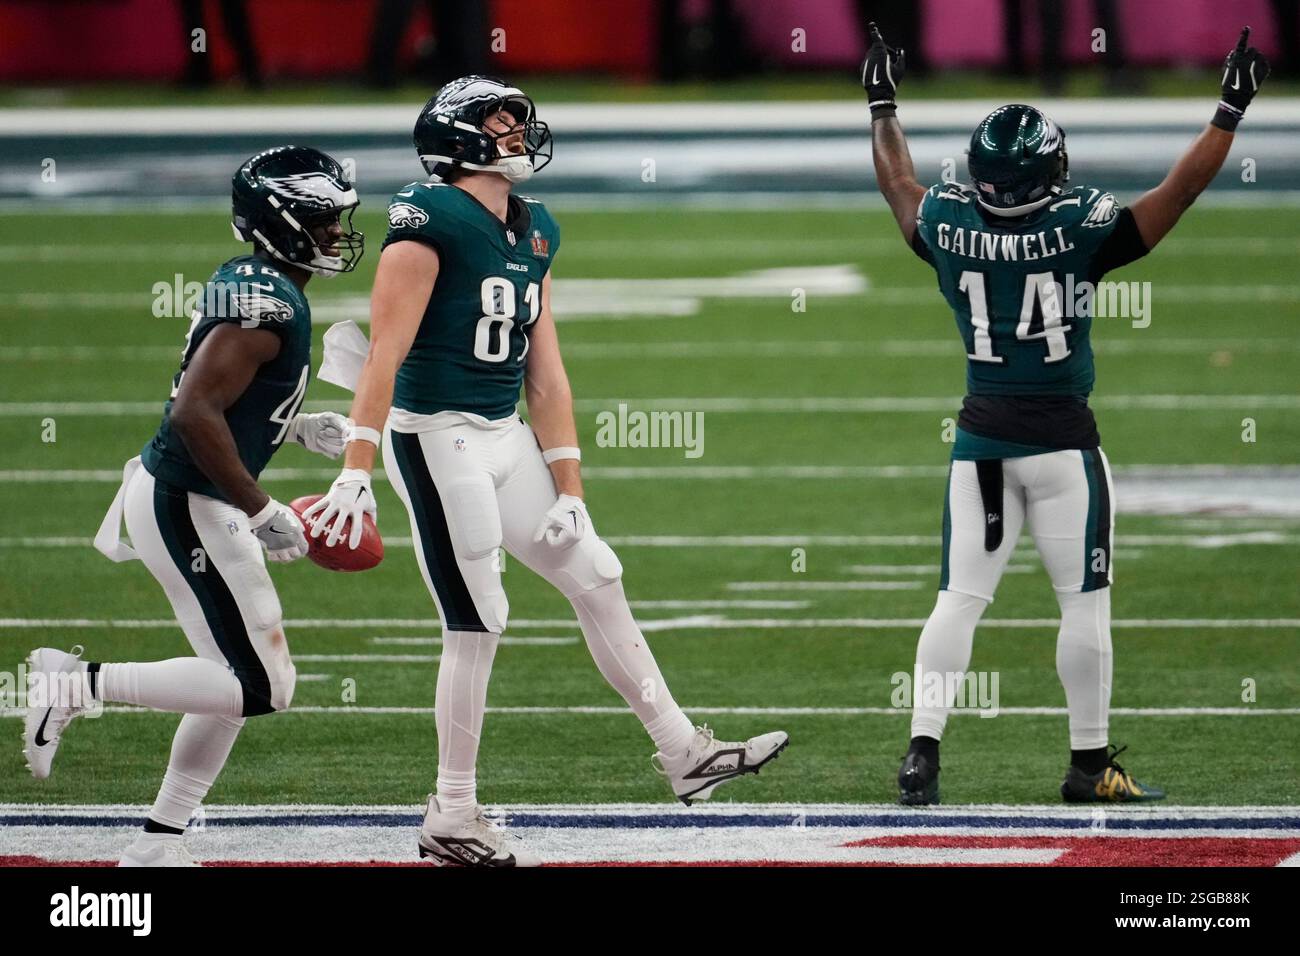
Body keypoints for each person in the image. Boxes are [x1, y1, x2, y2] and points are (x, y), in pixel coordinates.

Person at [306, 75, 788, 867]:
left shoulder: (533, 229)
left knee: (595, 571)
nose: (518, 133)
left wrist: (570, 489)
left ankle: (683, 754)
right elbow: (382, 356)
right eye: (500, 122)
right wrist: (357, 468)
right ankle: (451, 814)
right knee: (479, 617)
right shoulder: (426, 220)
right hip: (435, 436)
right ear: (459, 138)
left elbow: (548, 370)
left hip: (503, 433)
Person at [861, 24, 1269, 804]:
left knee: (958, 599)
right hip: (1062, 446)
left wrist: (882, 100)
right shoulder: (1079, 226)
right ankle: (1087, 768)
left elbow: (898, 183)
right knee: (1083, 605)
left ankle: (922, 753)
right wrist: (1227, 111)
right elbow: (1175, 194)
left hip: (979, 442)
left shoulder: (949, 222)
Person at [23, 146, 364, 865]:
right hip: (188, 499)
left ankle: (160, 843)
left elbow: (216, 393)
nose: (337, 231)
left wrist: (290, 425)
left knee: (233, 677)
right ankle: (76, 683)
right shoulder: (266, 298)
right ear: (282, 222)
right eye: (324, 218)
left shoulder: (260, 282)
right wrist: (262, 505)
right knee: (261, 686)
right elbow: (192, 412)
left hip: (190, 494)